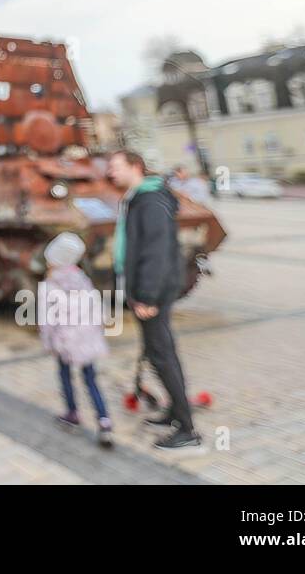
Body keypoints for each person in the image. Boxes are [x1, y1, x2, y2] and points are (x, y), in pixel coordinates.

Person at [108, 150, 202, 453]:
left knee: (162, 354)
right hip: (147, 290)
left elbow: (155, 252)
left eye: (116, 167)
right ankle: (175, 412)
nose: (111, 173)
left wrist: (146, 295)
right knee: (158, 351)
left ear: (135, 167)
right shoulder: (141, 197)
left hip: (153, 293)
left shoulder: (150, 201)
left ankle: (187, 430)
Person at [38, 232, 114, 448]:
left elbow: (47, 320)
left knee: (64, 374)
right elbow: (98, 309)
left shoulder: (49, 286)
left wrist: (48, 343)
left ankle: (72, 412)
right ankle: (104, 420)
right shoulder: (82, 279)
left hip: (64, 341)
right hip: (86, 339)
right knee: (90, 379)